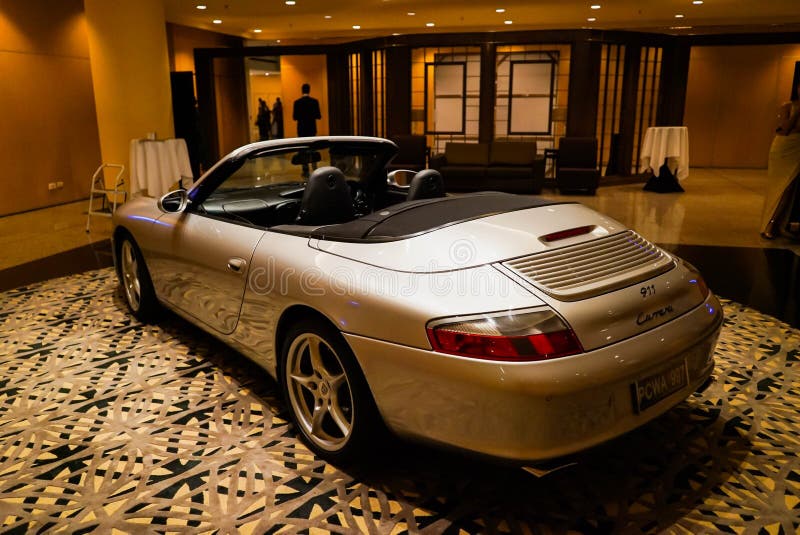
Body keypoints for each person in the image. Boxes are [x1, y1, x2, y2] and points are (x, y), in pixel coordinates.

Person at [760, 79, 800, 239]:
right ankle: (769, 224)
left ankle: (780, 225)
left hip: (798, 148)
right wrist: (797, 113)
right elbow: (783, 129)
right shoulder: (788, 106)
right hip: (784, 148)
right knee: (780, 188)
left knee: (792, 188)